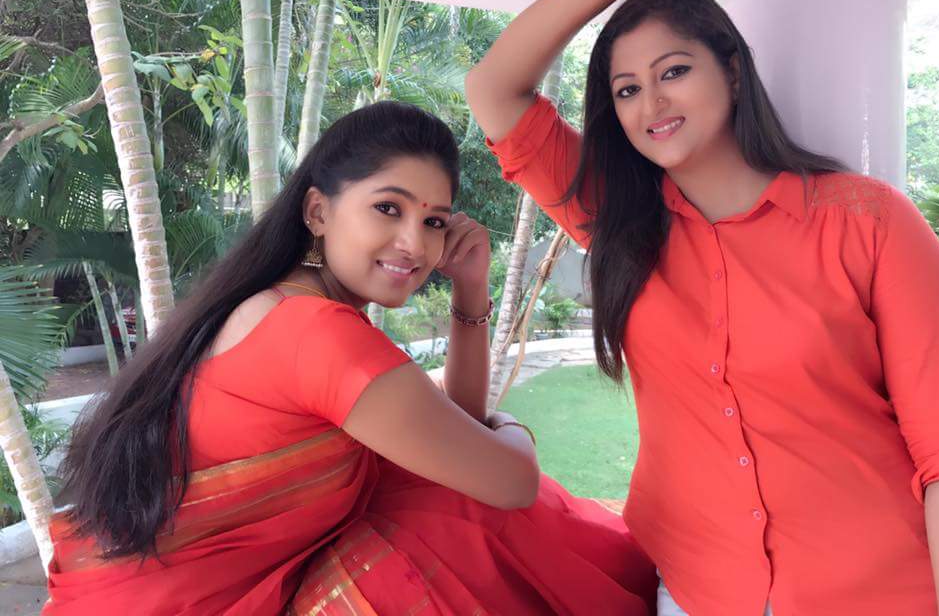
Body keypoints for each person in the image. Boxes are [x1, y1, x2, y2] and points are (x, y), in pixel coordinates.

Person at [465, 0, 939, 614]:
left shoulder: (867, 223)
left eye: (673, 71)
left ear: (731, 70)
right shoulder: (619, 223)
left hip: (878, 591)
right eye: (626, 89)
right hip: (698, 592)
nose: (650, 104)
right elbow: (493, 90)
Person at [44, 102, 656, 615]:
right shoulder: (316, 333)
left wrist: (471, 289)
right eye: (388, 208)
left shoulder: (281, 302)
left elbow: (457, 436)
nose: (414, 243)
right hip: (189, 605)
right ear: (318, 211)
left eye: (434, 221)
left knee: (434, 501)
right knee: (451, 523)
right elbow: (511, 482)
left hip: (173, 593)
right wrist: (511, 427)